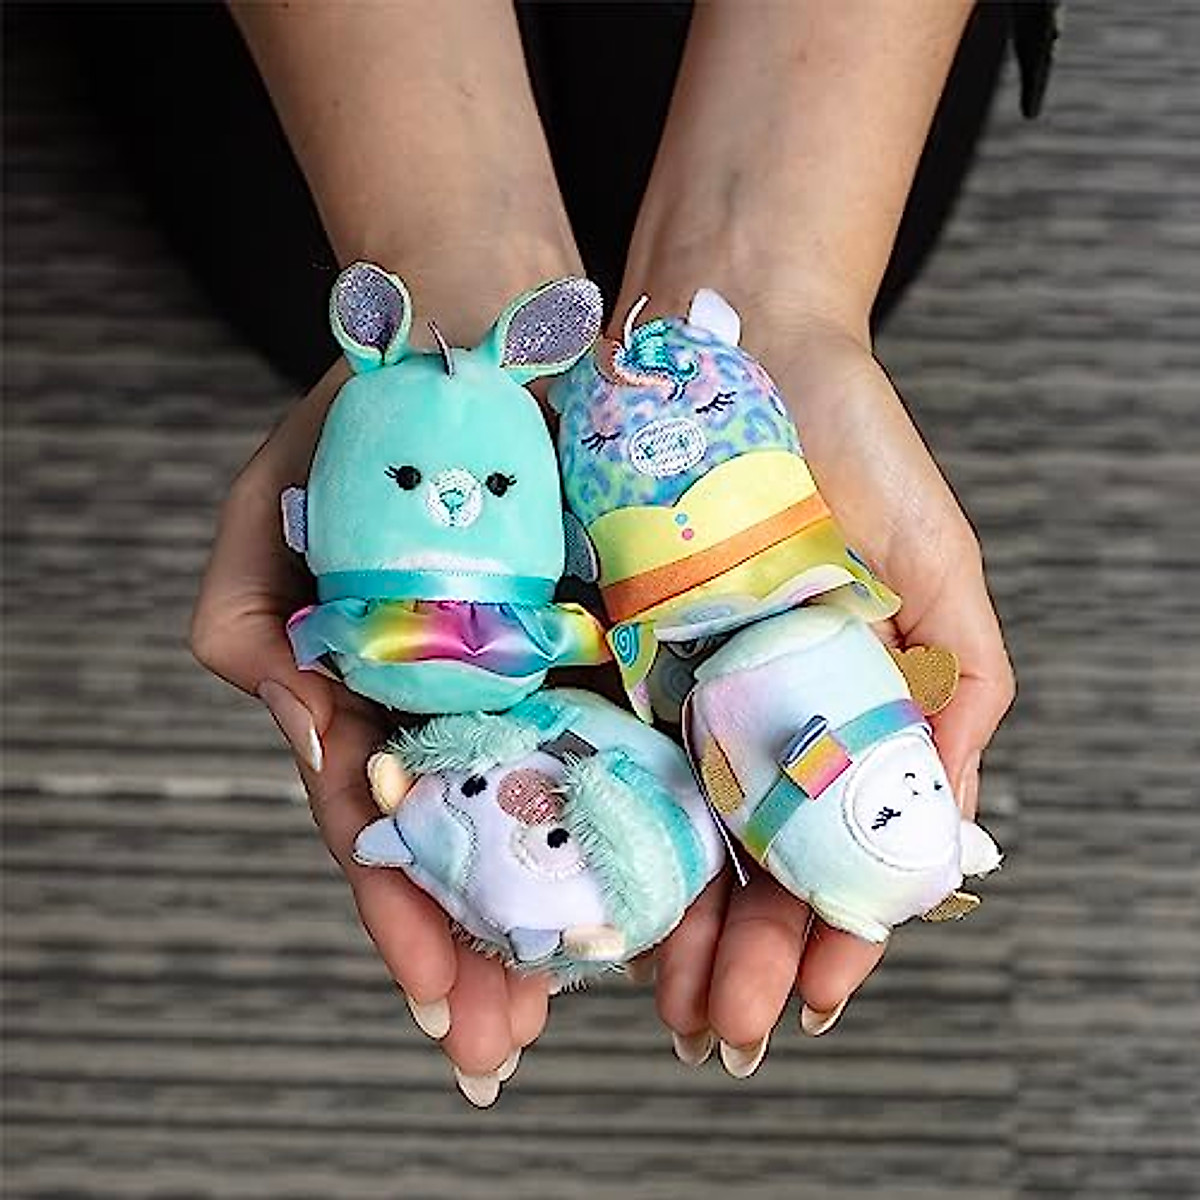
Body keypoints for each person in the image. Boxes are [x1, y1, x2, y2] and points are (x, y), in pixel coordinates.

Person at [190, 1, 1016, 1106]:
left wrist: (770, 254)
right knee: (246, 250)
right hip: (338, 82)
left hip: (832, 80)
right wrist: (441, 233)